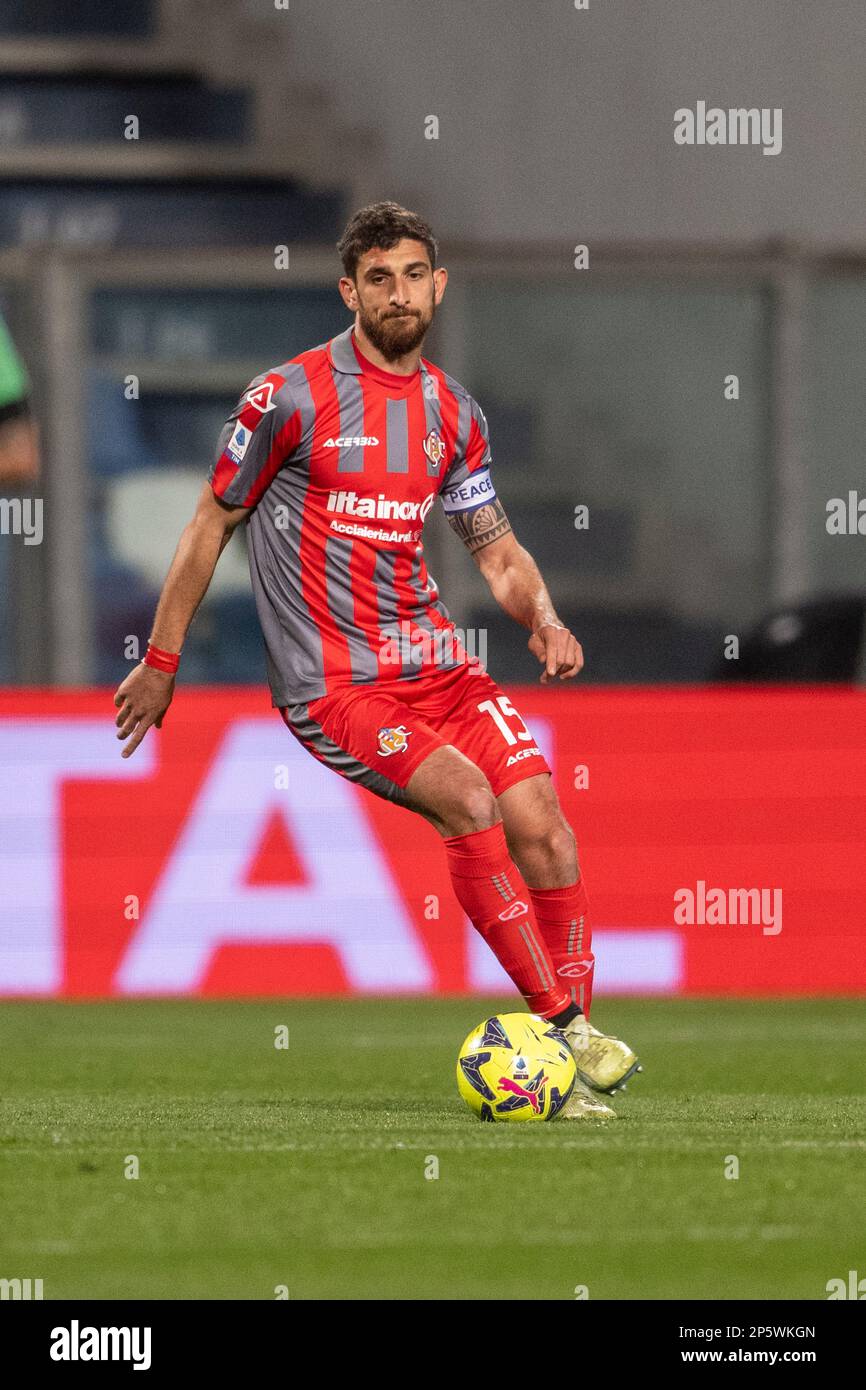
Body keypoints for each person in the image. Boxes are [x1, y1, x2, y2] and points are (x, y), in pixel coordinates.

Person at [113, 201, 641, 1118]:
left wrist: (543, 615)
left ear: (438, 285)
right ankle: (558, 1023)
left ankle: (573, 1034)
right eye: (378, 279)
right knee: (468, 800)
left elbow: (496, 548)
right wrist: (161, 659)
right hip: (337, 683)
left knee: (545, 824)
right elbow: (209, 524)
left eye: (413, 276)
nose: (398, 295)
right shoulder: (286, 396)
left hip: (436, 666)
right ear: (349, 290)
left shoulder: (452, 413)